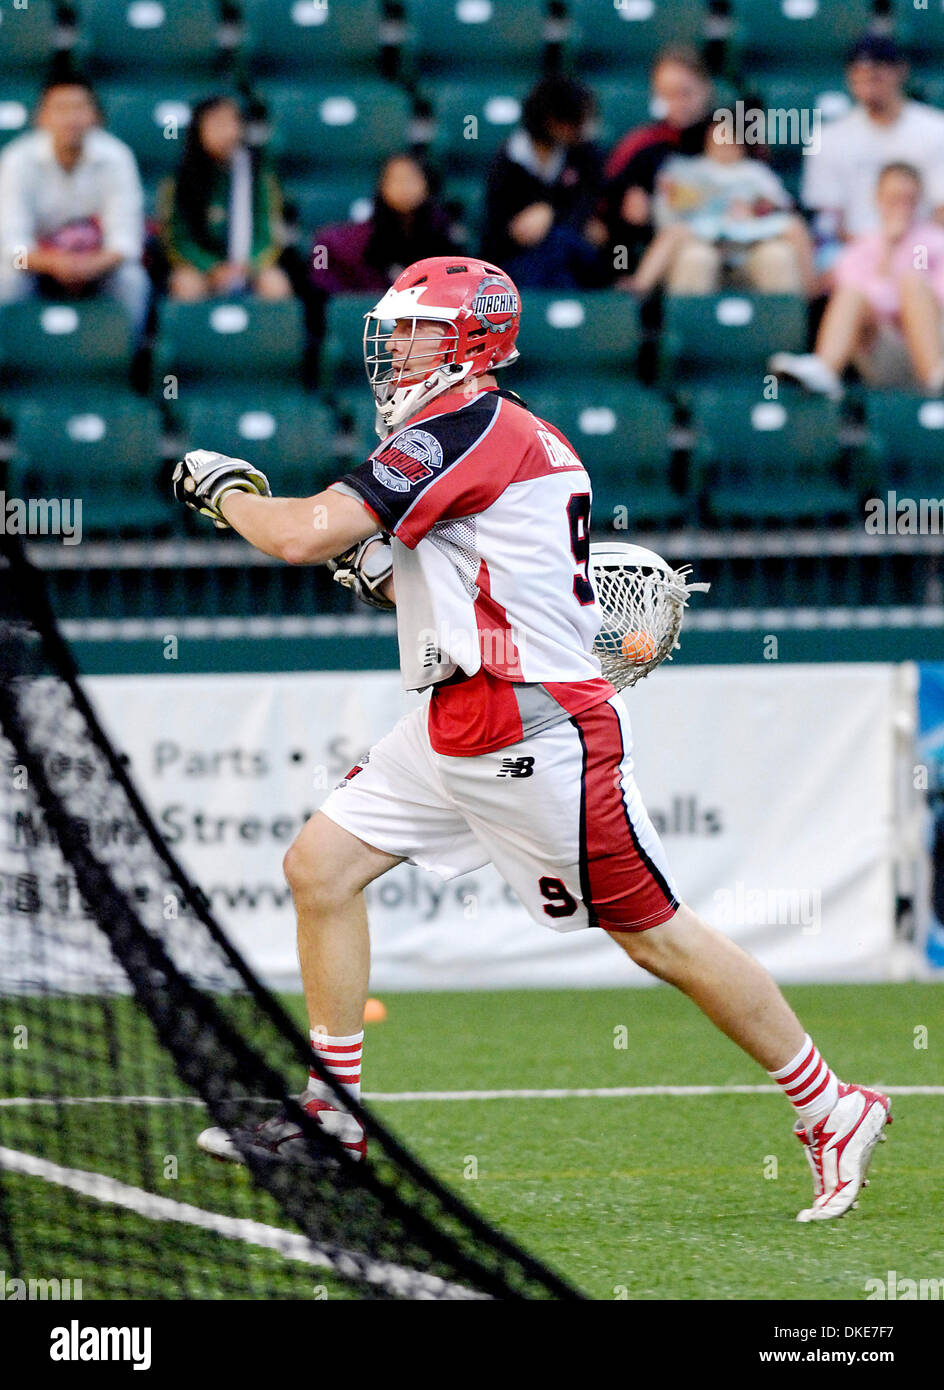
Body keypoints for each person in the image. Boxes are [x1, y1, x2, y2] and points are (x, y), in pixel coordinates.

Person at [174, 254, 892, 1222]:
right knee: (321, 867)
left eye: (416, 329)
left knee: (656, 937)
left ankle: (830, 1102)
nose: (394, 347)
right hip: (458, 712)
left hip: (527, 721)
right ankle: (333, 1112)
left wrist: (222, 490)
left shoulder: (468, 424)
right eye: (393, 329)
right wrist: (385, 578)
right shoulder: (467, 429)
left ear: (469, 337)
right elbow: (458, 577)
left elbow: (302, 532)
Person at [771, 162, 944, 398]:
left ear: (919, 201)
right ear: (878, 198)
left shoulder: (936, 241)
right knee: (851, 294)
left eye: (908, 199)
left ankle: (935, 375)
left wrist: (904, 291)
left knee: (913, 283)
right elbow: (860, 296)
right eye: (893, 198)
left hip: (936, 342)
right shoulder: (861, 248)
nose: (901, 207)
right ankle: (825, 369)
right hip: (885, 352)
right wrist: (889, 253)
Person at [0, 74, 149, 339]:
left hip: (97, 264)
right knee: (6, 279)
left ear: (96, 116)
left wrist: (90, 265)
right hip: (37, 265)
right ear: (41, 117)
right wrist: (53, 263)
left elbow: (126, 243)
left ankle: (128, 361)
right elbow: (13, 247)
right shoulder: (16, 160)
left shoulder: (118, 157)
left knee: (132, 280)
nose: (70, 118)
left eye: (79, 107)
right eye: (60, 108)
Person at [622, 108, 815, 297]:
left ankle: (811, 290)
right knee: (680, 239)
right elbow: (670, 212)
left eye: (730, 141)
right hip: (704, 231)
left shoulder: (755, 171)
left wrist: (756, 209)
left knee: (788, 237)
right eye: (717, 141)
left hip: (749, 235)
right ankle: (640, 286)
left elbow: (782, 206)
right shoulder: (687, 169)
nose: (723, 146)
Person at [801, 35, 944, 277]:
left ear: (900, 71)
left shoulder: (936, 129)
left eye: (877, 72)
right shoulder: (828, 137)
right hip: (855, 246)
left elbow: (941, 210)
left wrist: (906, 248)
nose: (868, 80)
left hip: (922, 246)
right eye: (859, 73)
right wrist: (875, 251)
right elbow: (829, 219)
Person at [598, 46, 716, 278]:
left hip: (739, 241)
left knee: (776, 257)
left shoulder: (732, 137)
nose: (678, 103)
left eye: (686, 92)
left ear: (706, 88)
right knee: (698, 258)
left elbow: (770, 194)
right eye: (668, 95)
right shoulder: (640, 146)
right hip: (671, 252)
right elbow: (609, 223)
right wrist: (622, 269)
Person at [159, 95, 292, 302]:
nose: (227, 130)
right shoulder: (179, 180)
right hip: (202, 266)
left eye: (233, 121)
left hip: (248, 265)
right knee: (185, 284)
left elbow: (269, 233)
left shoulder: (258, 175)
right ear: (198, 129)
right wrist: (211, 267)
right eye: (217, 123)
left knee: (275, 284)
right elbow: (178, 240)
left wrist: (248, 266)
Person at [481, 75, 608, 289]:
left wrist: (551, 214)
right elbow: (497, 229)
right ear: (551, 121)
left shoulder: (585, 155)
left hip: (573, 252)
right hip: (522, 259)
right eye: (572, 121)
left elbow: (586, 210)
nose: (580, 129)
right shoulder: (508, 160)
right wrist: (520, 230)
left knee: (560, 243)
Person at [308, 153, 459, 298]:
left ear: (428, 185)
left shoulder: (444, 235)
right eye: (395, 179)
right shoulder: (358, 240)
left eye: (411, 179)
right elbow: (322, 249)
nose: (403, 187)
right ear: (382, 186)